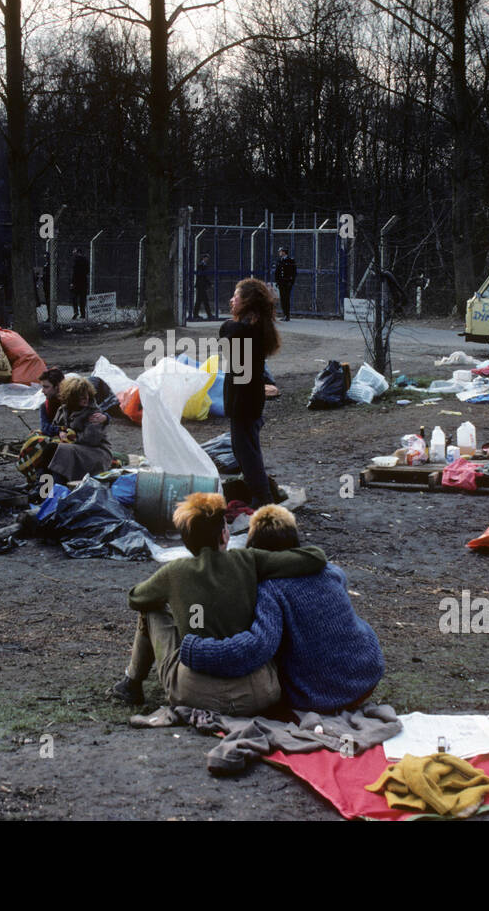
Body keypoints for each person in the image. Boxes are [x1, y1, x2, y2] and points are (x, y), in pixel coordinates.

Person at [112, 492, 327, 713]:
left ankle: (131, 683)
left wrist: (181, 600)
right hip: (258, 693)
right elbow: (315, 557)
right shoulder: (249, 560)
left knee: (151, 611)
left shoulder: (174, 572)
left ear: (186, 542)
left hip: (193, 694)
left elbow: (135, 598)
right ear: (224, 535)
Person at [180, 505, 384, 714]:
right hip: (367, 676)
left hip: (322, 695)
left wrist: (197, 651)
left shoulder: (271, 589)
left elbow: (256, 648)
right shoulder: (332, 571)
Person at [219, 278, 279, 507]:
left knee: (246, 452)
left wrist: (227, 325)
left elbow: (227, 332)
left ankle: (262, 499)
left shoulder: (246, 329)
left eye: (236, 296)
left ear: (247, 301)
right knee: (245, 449)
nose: (231, 300)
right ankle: (259, 494)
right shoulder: (253, 326)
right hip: (247, 398)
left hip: (245, 400)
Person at [45, 375, 113, 484]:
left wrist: (71, 437)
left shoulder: (93, 413)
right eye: (80, 395)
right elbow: (55, 426)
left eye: (86, 394)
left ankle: (56, 485)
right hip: (74, 447)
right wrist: (60, 432)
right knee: (44, 446)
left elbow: (91, 439)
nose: (85, 398)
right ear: (71, 397)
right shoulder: (64, 410)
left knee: (61, 450)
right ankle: (42, 483)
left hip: (95, 452)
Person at [37, 367, 65, 437]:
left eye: (46, 387)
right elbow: (44, 428)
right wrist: (60, 430)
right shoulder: (44, 406)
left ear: (57, 386)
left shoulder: (72, 401)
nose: (42, 391)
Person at [273, 246, 297, 321]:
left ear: (284, 252)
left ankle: (287, 315)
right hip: (281, 282)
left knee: (286, 298)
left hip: (287, 282)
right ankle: (285, 314)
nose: (279, 253)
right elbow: (277, 272)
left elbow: (293, 272)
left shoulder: (290, 261)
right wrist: (277, 281)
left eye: (280, 251)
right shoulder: (279, 260)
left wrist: (291, 282)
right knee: (283, 299)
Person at [195, 253, 216, 320]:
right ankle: (208, 314)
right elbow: (203, 276)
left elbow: (204, 276)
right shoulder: (201, 265)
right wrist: (209, 284)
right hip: (201, 286)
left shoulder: (203, 265)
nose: (207, 259)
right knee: (204, 300)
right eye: (206, 258)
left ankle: (196, 314)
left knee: (200, 300)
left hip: (201, 285)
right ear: (203, 258)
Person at [71, 248, 90, 320]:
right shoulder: (85, 260)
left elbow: (74, 272)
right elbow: (87, 271)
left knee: (74, 297)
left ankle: (76, 311)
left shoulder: (76, 260)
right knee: (82, 299)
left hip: (76, 282)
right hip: (83, 282)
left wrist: (72, 282)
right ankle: (83, 314)